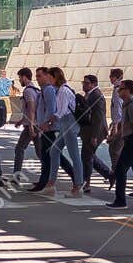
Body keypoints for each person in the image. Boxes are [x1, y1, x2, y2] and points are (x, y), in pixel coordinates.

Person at [33, 66, 83, 197]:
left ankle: (78, 186)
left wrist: (47, 123)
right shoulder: (61, 90)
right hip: (65, 124)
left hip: (69, 124)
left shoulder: (63, 91)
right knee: (54, 151)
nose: (48, 79)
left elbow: (60, 112)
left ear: (55, 77)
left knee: (74, 156)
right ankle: (51, 184)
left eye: (49, 77)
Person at [107, 78, 133, 208]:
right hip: (128, 141)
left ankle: (120, 201)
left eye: (121, 89)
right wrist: (114, 137)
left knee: (120, 170)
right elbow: (125, 127)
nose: (118, 91)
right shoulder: (126, 105)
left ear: (128, 91)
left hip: (132, 143)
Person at [78, 73, 114, 192]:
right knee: (88, 155)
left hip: (96, 131)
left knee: (86, 156)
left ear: (94, 84)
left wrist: (94, 136)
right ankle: (109, 175)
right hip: (89, 131)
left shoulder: (96, 96)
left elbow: (98, 117)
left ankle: (86, 183)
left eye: (86, 83)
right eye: (83, 83)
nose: (84, 85)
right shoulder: (90, 95)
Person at [10, 66, 41, 181]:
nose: (19, 80)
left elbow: (32, 108)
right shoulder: (35, 90)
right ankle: (47, 176)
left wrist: (31, 125)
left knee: (19, 149)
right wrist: (22, 120)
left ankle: (16, 176)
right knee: (40, 152)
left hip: (31, 126)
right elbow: (30, 110)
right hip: (34, 124)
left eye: (19, 78)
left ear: (24, 77)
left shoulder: (28, 91)